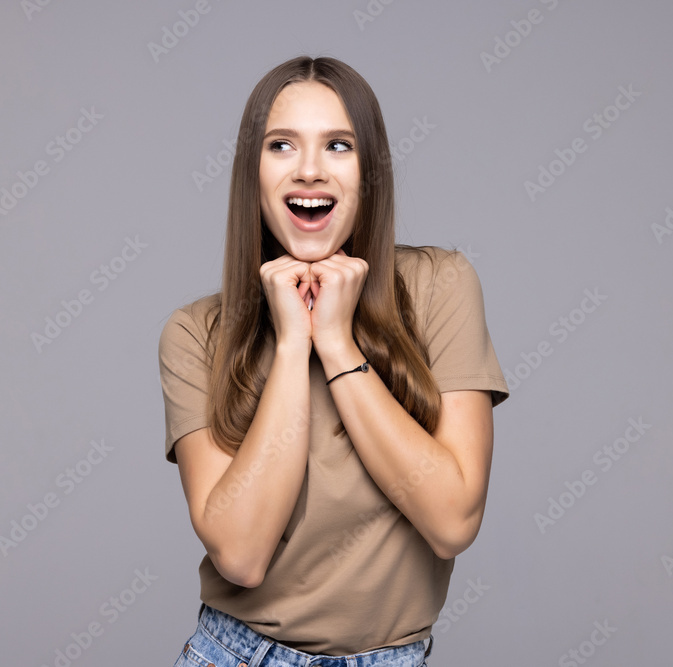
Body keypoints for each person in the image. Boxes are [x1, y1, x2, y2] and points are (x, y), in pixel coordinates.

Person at [158, 55, 509, 667]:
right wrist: (295, 343)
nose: (310, 171)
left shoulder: (439, 286)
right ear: (253, 173)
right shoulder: (197, 334)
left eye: (339, 145)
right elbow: (240, 556)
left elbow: (453, 521)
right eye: (282, 145)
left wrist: (340, 345)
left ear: (369, 169)